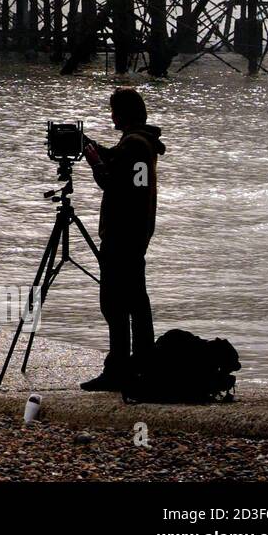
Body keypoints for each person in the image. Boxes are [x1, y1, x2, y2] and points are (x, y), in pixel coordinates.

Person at [80, 87, 166, 391]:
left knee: (115, 303)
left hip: (122, 234)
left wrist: (93, 162)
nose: (111, 115)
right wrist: (93, 147)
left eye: (114, 110)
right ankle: (142, 365)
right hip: (136, 233)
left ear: (124, 113)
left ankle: (119, 368)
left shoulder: (135, 145)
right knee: (135, 300)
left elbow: (115, 183)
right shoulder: (141, 143)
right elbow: (127, 171)